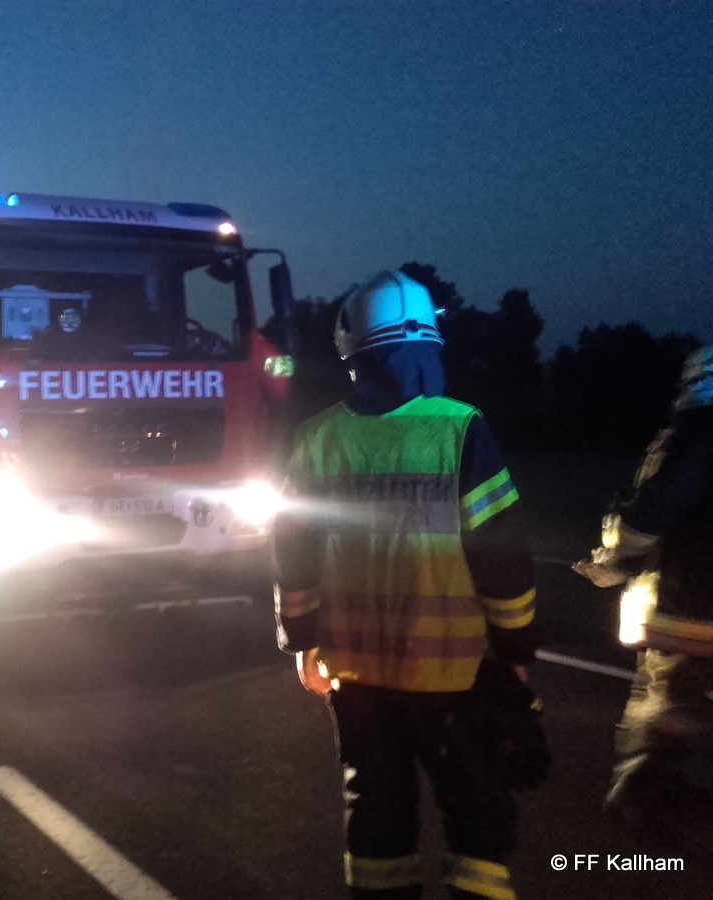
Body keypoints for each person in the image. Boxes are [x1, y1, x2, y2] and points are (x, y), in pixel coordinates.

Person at [273, 270, 540, 900]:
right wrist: (517, 650)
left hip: (356, 672)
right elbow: (501, 555)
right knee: (477, 817)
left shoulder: (316, 439)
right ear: (430, 345)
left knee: (377, 810)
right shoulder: (460, 429)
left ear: (353, 350)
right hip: (454, 676)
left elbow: (293, 554)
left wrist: (304, 640)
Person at [574, 345, 713, 824]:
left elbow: (659, 506)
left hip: (690, 602)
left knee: (669, 699)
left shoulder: (700, 433)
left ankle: (644, 794)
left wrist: (615, 554)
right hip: (696, 602)